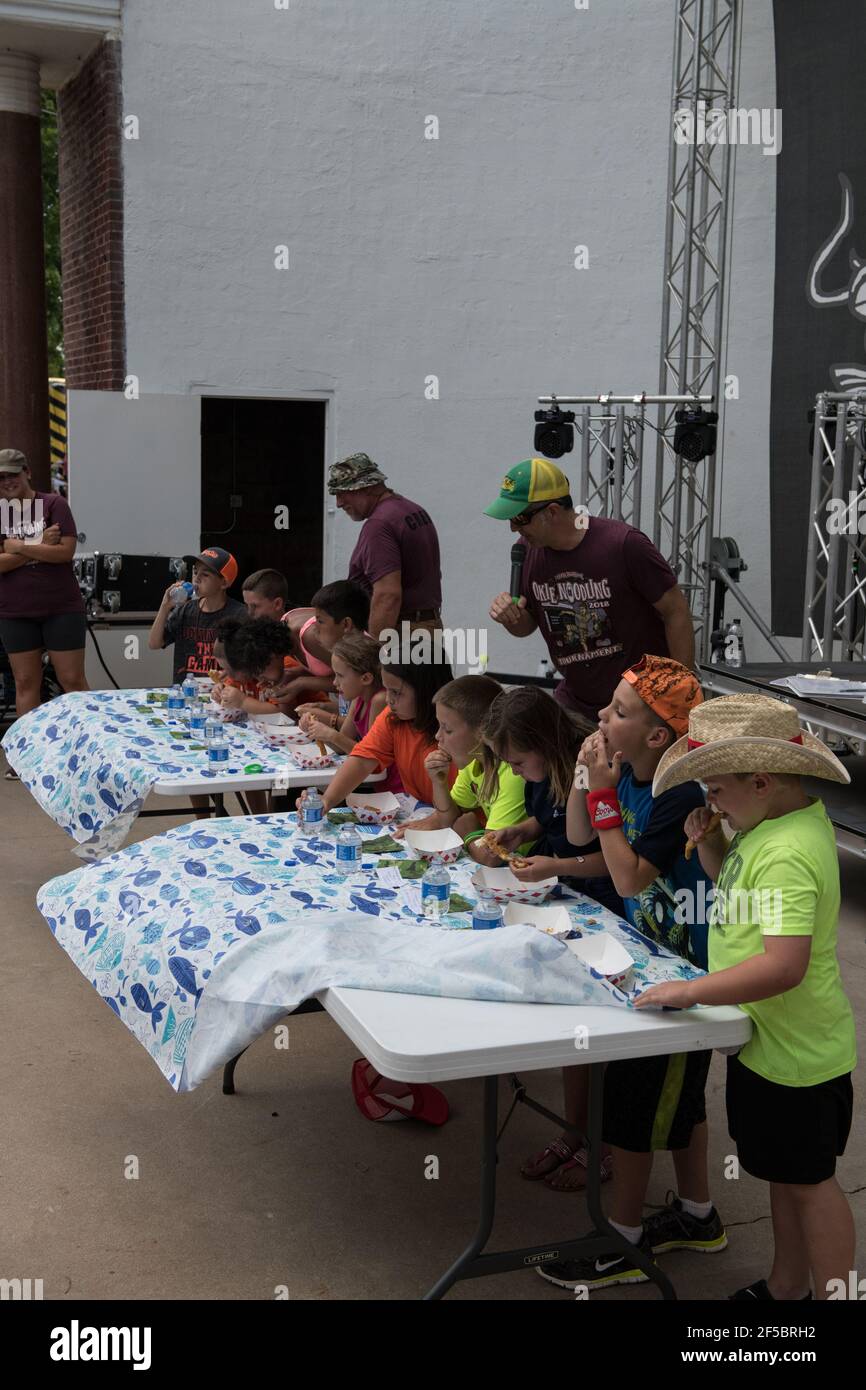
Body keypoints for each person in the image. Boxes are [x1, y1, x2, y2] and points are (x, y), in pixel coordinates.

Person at [635, 694, 856, 1303]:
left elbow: (784, 966)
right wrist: (711, 846)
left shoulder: (785, 852)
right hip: (775, 1046)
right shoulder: (776, 826)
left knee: (811, 1185)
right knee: (788, 1176)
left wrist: (689, 990)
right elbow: (740, 894)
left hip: (797, 1058)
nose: (710, 802)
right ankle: (788, 1291)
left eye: (715, 790)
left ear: (761, 780)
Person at [537, 656, 720, 1289]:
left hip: (684, 975)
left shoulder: (679, 794)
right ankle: (698, 1212)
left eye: (617, 711)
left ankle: (623, 1238)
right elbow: (585, 838)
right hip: (649, 953)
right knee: (678, 1103)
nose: (600, 718)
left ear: (657, 736)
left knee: (635, 1108)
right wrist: (591, 783)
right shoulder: (634, 775)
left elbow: (627, 876)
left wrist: (607, 794)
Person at [484, 459, 695, 729]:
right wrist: (511, 617)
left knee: (632, 773)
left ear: (551, 511)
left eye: (519, 518)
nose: (513, 527)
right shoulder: (526, 549)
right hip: (577, 702)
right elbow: (528, 625)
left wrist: (678, 694)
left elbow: (675, 610)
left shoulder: (622, 544)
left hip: (638, 704)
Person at [0, 449, 89, 748]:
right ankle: (29, 751)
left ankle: (90, 745)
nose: (7, 481)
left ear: (27, 472)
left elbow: (65, 553)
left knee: (72, 680)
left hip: (61, 608)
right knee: (25, 683)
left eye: (12, 474)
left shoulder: (53, 504)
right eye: (1, 477)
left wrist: (16, 548)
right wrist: (38, 543)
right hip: (14, 611)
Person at [393, 674, 531, 864]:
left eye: (447, 729)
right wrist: (438, 781)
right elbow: (447, 818)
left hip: (528, 867)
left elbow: (491, 856)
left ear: (482, 732)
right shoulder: (474, 764)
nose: (437, 735)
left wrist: (469, 833)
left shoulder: (511, 774)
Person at [297, 653, 455, 814]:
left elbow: (466, 807)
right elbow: (362, 760)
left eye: (396, 692)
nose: (388, 699)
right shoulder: (394, 717)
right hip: (420, 812)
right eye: (387, 690)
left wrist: (438, 820)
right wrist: (326, 800)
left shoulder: (457, 729)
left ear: (425, 690)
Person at [328, 452, 442, 638]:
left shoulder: (379, 524)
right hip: (425, 625)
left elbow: (387, 595)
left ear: (367, 488)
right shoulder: (412, 509)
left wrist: (375, 649)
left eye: (343, 493)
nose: (339, 503)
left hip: (401, 633)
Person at [297, 633, 400, 790]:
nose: (334, 682)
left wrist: (331, 734)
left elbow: (371, 758)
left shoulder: (379, 700)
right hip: (369, 780)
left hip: (387, 786)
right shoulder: (358, 697)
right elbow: (341, 744)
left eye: (340, 676)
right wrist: (315, 730)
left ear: (365, 678)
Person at [149, 547, 245, 681]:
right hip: (187, 692)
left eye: (205, 575)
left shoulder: (240, 615)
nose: (197, 579)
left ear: (224, 583)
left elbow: (248, 662)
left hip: (222, 693)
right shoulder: (185, 610)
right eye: (195, 572)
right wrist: (165, 607)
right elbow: (154, 643)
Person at [293, 580, 371, 724]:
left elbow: (364, 728)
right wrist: (322, 707)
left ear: (346, 624)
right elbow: (350, 712)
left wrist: (327, 719)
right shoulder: (345, 655)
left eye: (320, 621)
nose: (314, 628)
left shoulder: (364, 661)